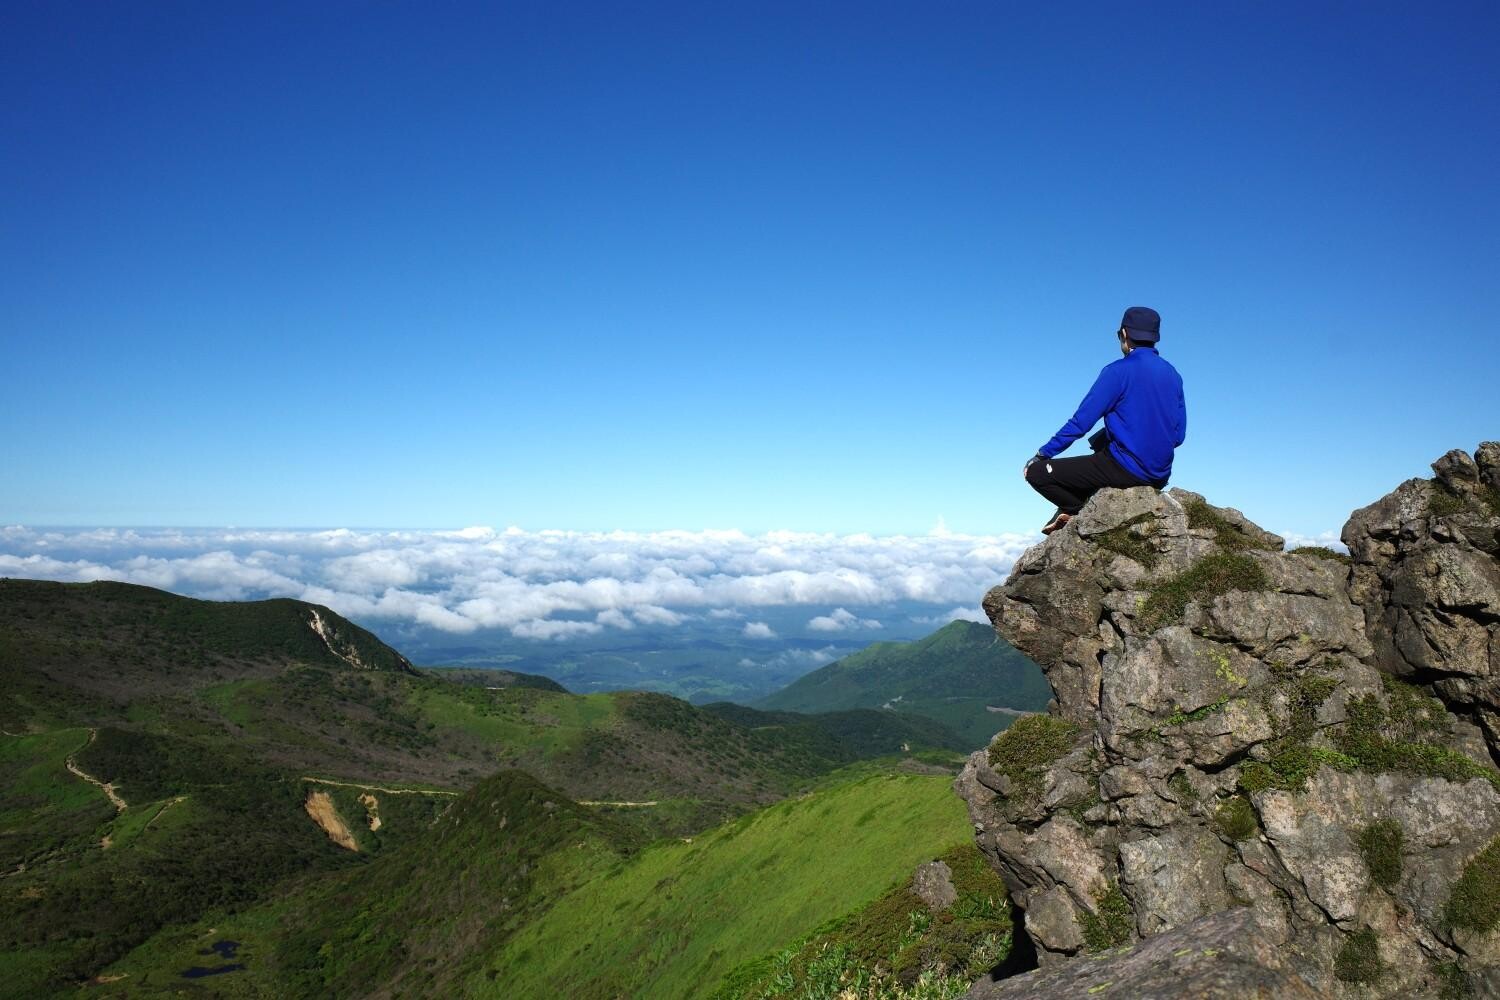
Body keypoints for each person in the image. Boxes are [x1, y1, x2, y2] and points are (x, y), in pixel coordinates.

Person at [1023, 306, 1187, 534]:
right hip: (1159, 474)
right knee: (1100, 440)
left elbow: (1081, 422)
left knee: (1037, 474)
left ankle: (1075, 509)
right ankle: (1075, 503)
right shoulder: (1173, 375)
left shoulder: (1117, 371)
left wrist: (1041, 455)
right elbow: (1178, 436)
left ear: (1124, 333)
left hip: (1125, 469)